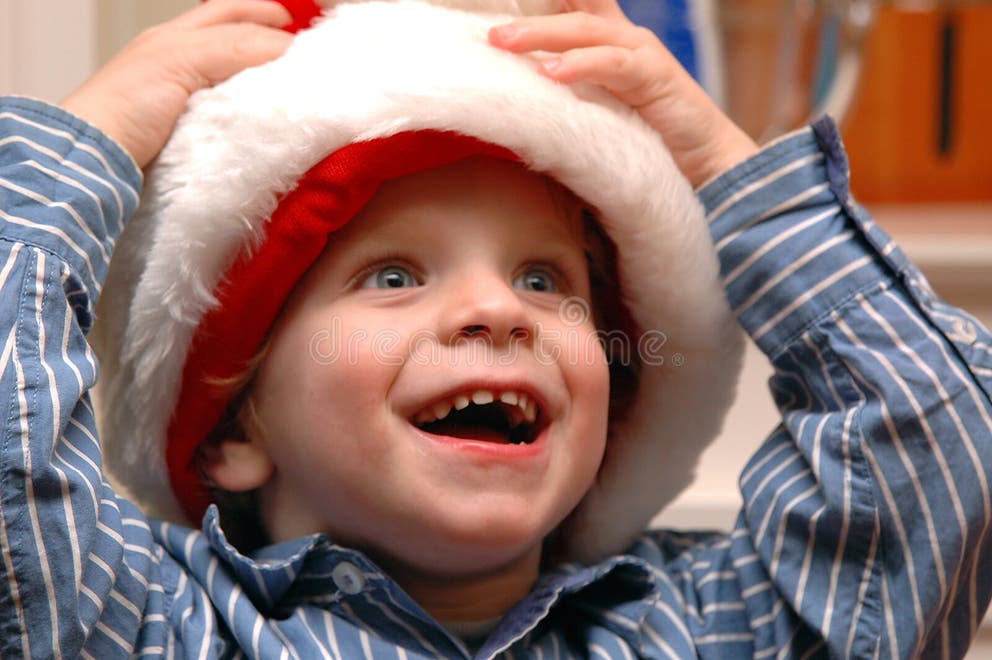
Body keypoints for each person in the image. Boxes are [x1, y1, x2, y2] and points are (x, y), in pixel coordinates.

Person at [1, 0, 990, 658]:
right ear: (233, 431)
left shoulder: (702, 631)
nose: (498, 310)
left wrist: (720, 166)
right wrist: (91, 138)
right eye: (393, 275)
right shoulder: (153, 627)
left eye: (544, 279)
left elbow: (942, 450)